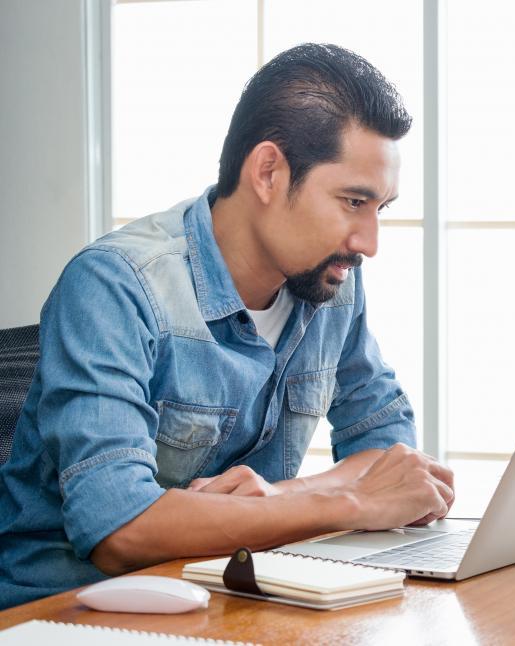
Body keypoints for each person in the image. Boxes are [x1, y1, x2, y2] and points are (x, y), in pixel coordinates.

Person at [0, 43, 454, 609]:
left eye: (379, 208)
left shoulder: (330, 282)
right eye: (353, 201)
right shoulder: (117, 286)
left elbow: (390, 457)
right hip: (69, 609)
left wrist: (278, 496)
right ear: (267, 172)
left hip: (230, 595)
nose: (369, 242)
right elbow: (118, 528)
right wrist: (350, 503)